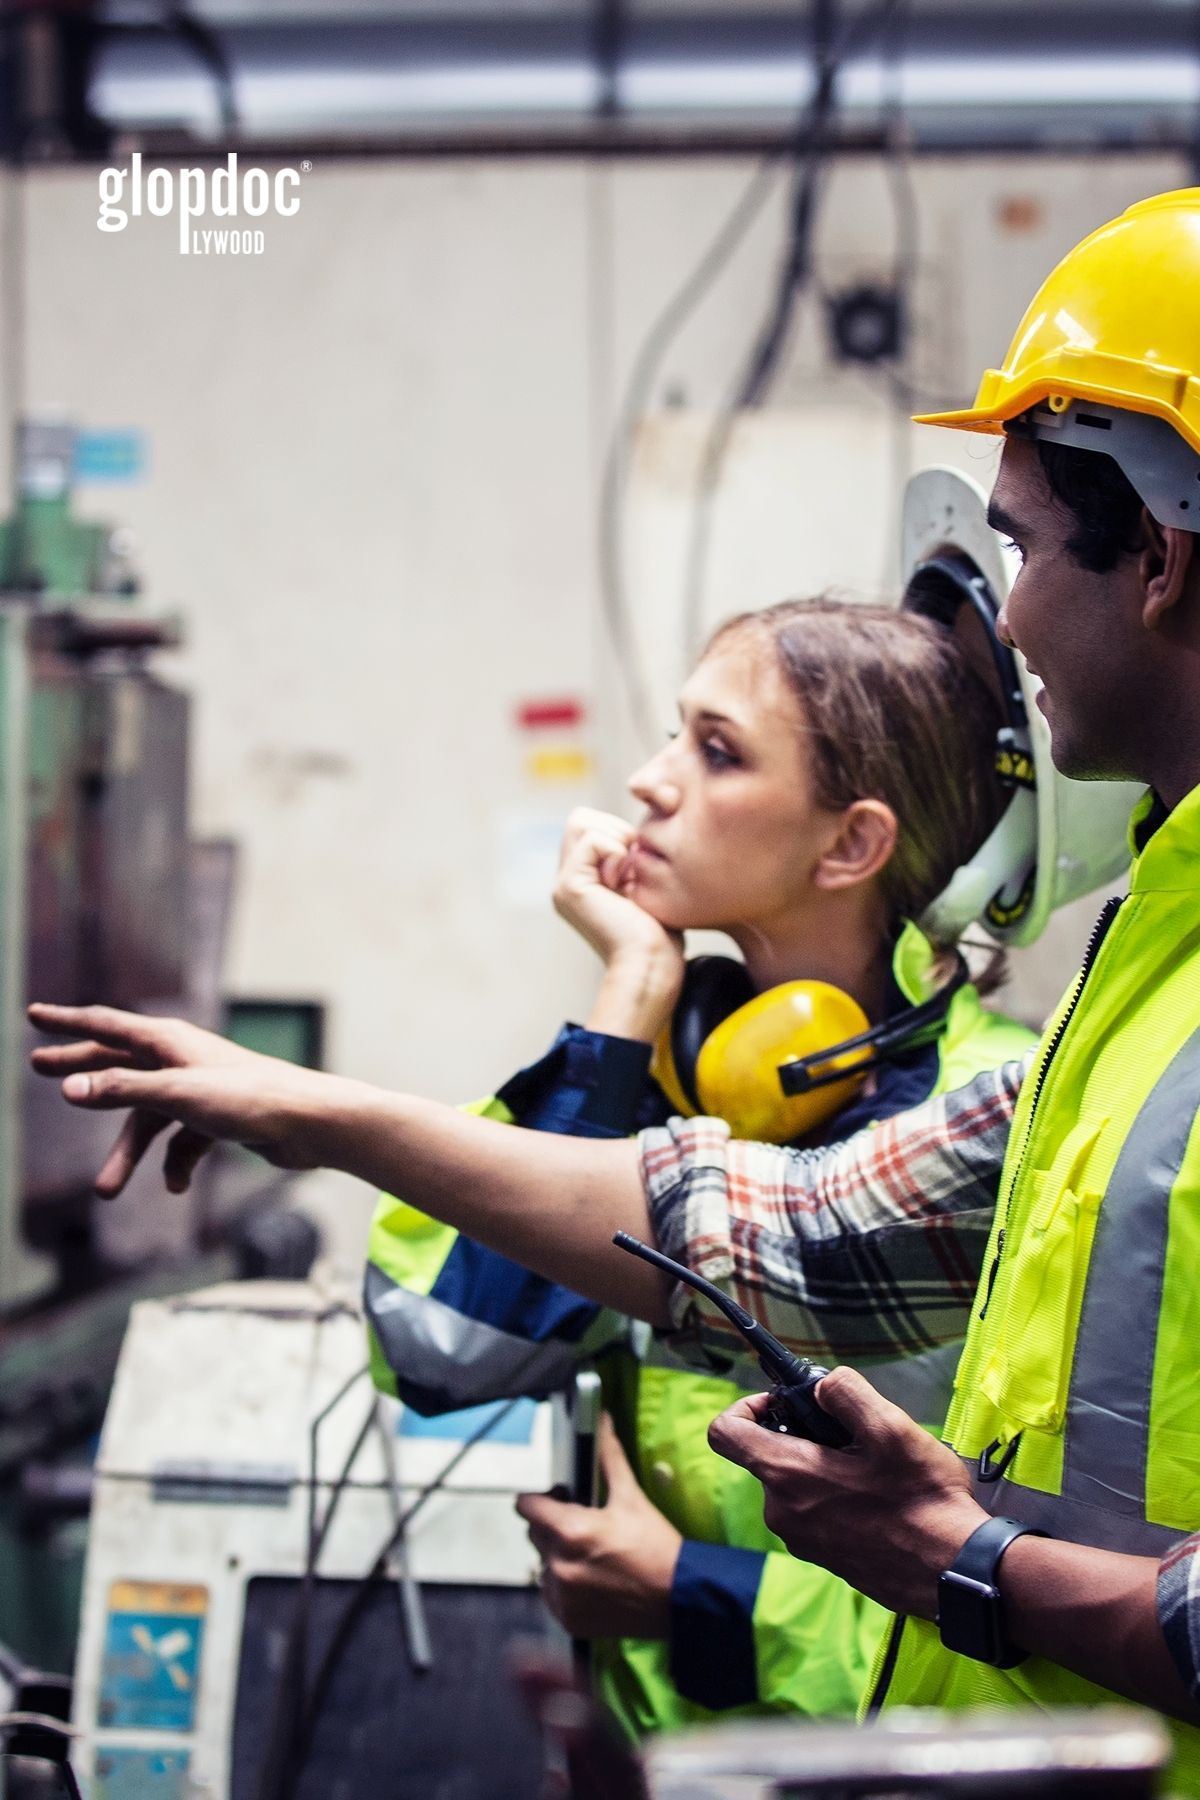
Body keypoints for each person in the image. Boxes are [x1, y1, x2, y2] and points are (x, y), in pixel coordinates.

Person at [31, 185, 1200, 1779]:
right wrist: (537, 1031)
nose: (646, 787)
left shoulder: (1053, 1046)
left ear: (1160, 557)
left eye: (715, 753)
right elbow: (539, 1311)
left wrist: (764, 1588)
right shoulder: (1114, 1000)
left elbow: (941, 1537)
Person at [364, 595, 1037, 1740]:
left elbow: (1028, 1589)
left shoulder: (1000, 1128)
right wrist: (625, 1008)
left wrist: (694, 1596)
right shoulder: (658, 1077)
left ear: (852, 843)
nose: (648, 780)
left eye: (715, 751)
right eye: (676, 733)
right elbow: (443, 1355)